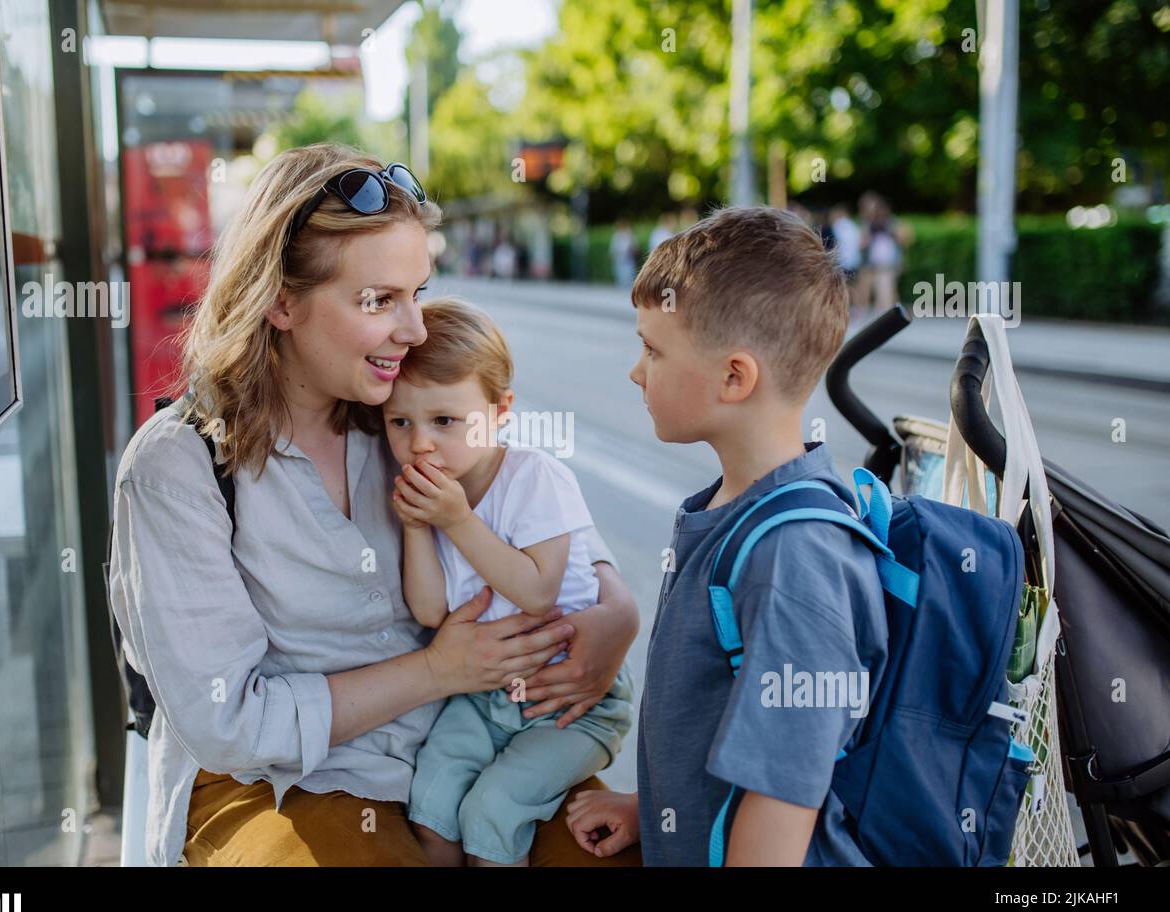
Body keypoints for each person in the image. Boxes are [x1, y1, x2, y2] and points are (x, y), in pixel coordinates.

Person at [108, 143, 641, 867]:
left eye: (418, 291)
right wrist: (436, 673)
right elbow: (225, 721)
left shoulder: (402, 412)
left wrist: (614, 613)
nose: (416, 330)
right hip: (281, 782)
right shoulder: (179, 467)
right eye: (379, 300)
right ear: (280, 301)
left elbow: (537, 510)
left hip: (477, 741)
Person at [564, 206, 888, 866]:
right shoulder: (734, 507)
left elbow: (782, 800)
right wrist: (655, 815)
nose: (636, 371)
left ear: (734, 377)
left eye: (654, 351)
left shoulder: (794, 557)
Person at [384, 297, 634, 867]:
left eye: (444, 420)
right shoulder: (435, 495)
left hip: (569, 700)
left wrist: (454, 520)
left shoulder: (535, 477)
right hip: (483, 696)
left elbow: (538, 590)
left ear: (500, 411)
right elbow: (429, 611)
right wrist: (418, 528)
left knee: (493, 807)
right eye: (401, 422)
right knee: (431, 796)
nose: (420, 442)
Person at [610, 219, 638, 288]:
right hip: (620, 262)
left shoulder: (631, 237)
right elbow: (613, 251)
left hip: (629, 262)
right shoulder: (616, 237)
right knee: (621, 281)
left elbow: (636, 250)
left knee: (629, 280)